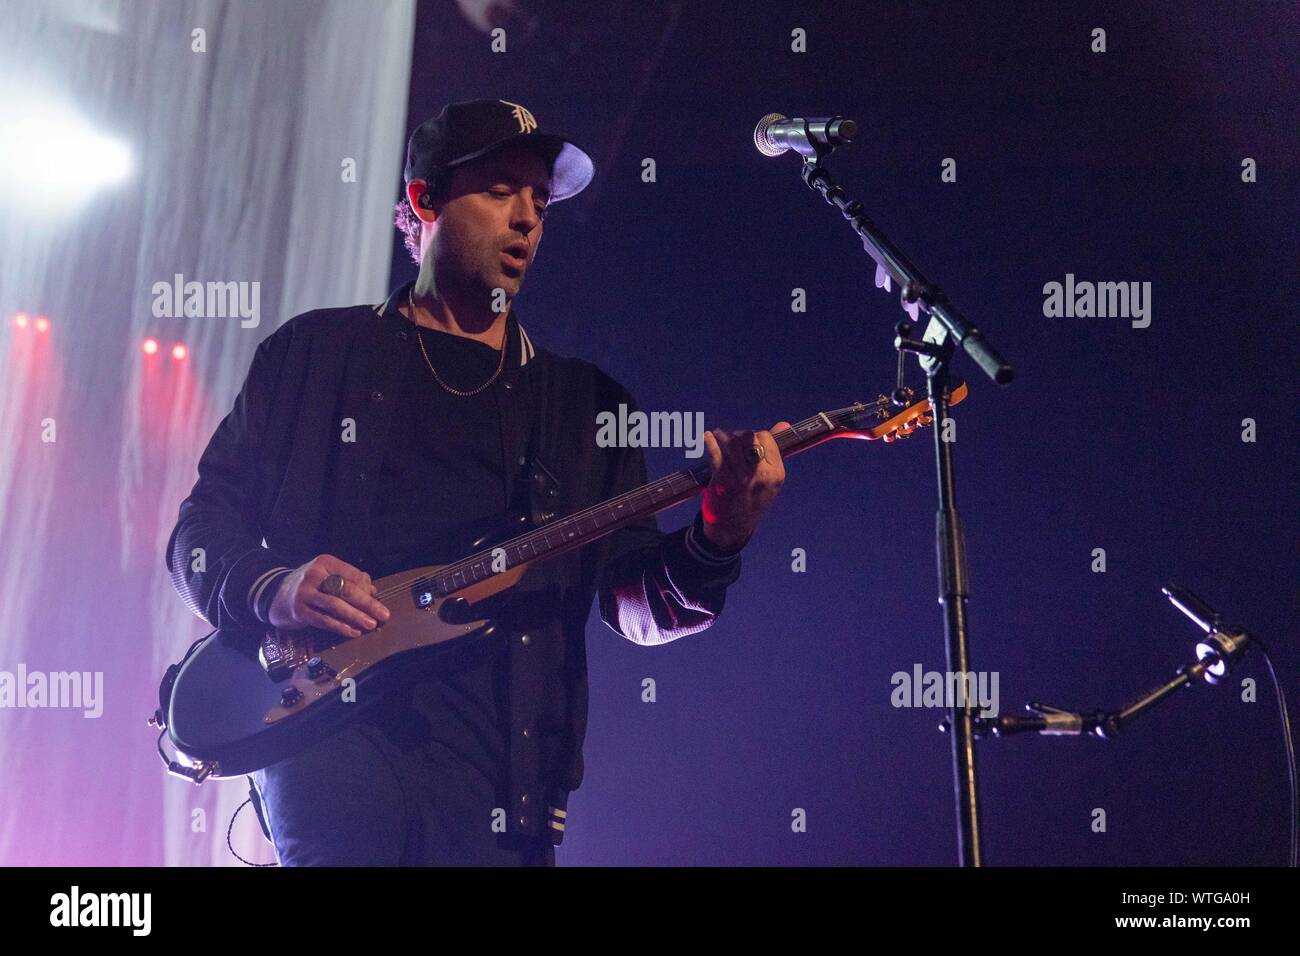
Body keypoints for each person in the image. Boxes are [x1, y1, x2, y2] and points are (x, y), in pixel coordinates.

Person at [166, 99, 787, 865]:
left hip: (508, 770)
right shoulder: (313, 355)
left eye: (540, 200)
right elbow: (198, 532)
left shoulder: (587, 404)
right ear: (423, 201)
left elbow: (634, 607)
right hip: (329, 737)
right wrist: (272, 587)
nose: (527, 217)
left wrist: (716, 541)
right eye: (500, 189)